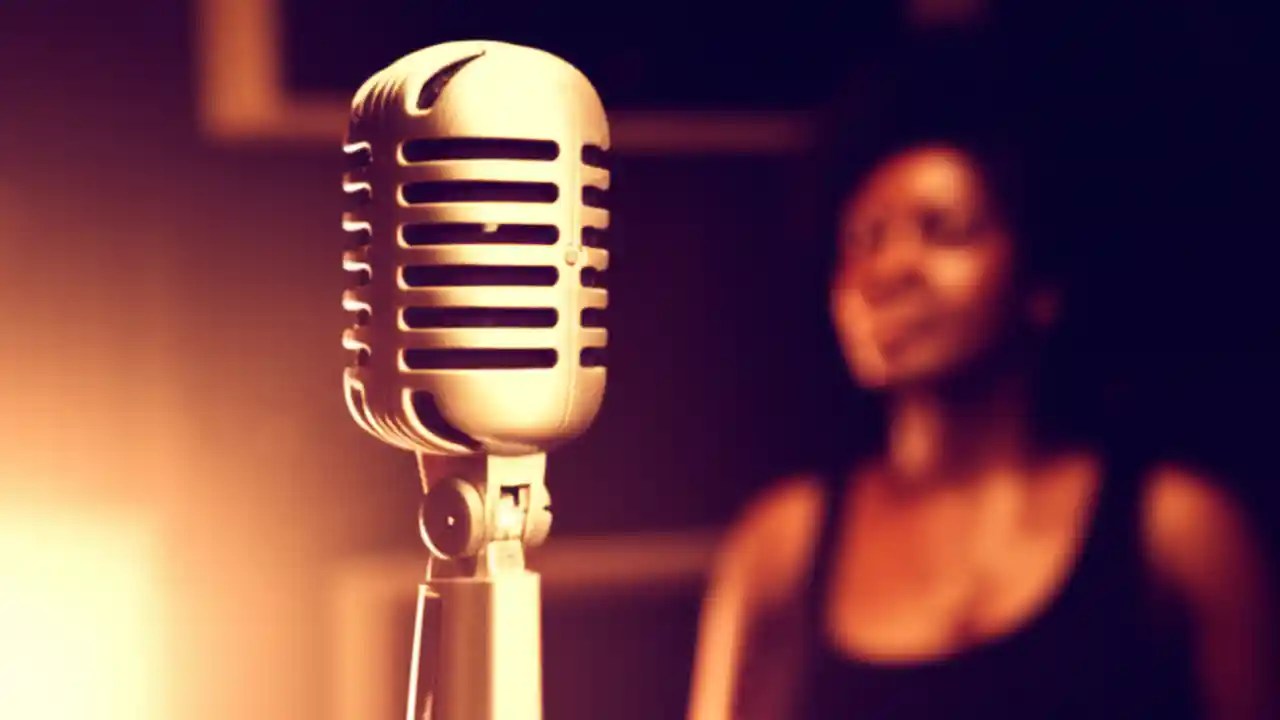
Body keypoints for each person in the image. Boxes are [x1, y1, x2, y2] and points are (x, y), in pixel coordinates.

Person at [687, 36, 1277, 720]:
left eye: (944, 230)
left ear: (1041, 280)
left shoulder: (1179, 534)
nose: (890, 271)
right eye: (864, 239)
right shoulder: (777, 549)